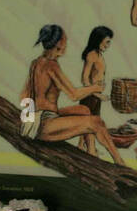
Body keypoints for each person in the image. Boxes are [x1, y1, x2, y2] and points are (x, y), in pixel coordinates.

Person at [19, 24, 125, 165]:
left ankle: (91, 152)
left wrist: (30, 118)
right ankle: (120, 163)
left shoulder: (36, 63)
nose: (67, 43)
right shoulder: (52, 66)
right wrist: (94, 88)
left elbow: (24, 95)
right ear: (59, 44)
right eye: (65, 40)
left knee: (85, 110)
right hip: (43, 126)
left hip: (39, 117)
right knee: (97, 122)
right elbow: (73, 94)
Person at [79, 26, 113, 116]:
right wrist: (97, 95)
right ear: (99, 40)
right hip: (90, 97)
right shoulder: (92, 55)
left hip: (95, 97)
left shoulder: (99, 55)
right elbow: (85, 79)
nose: (108, 45)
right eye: (107, 42)